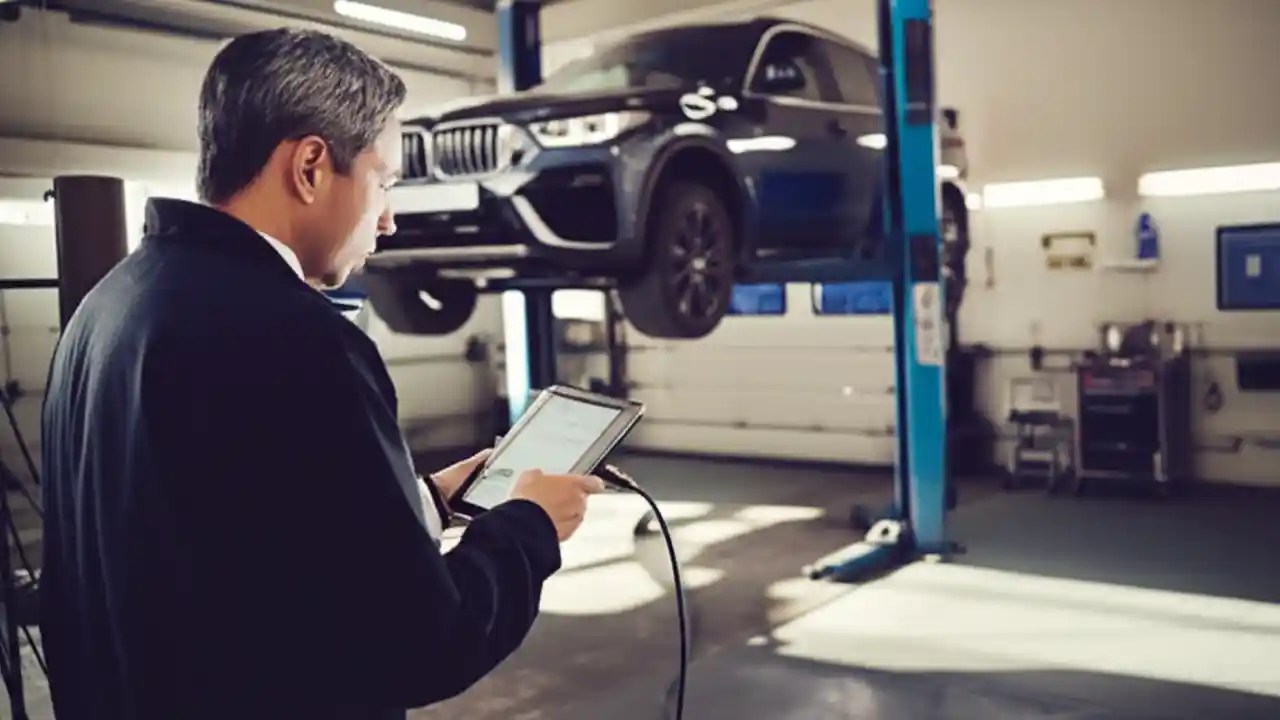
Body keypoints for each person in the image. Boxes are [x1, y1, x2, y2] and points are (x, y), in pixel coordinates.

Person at [39, 28, 604, 720]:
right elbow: (421, 642)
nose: (389, 219)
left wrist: (424, 503)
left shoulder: (109, 307)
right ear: (310, 166)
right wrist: (529, 527)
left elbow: (244, 540)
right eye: (385, 181)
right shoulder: (299, 338)